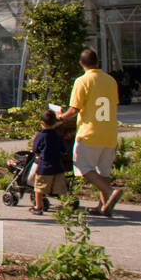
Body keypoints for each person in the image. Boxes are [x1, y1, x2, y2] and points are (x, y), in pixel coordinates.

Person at [57, 48, 124, 217]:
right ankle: (104, 205)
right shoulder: (110, 80)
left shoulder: (82, 81)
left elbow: (74, 109)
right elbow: (113, 103)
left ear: (81, 64)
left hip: (89, 132)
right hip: (109, 132)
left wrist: (61, 117)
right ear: (97, 62)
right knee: (104, 172)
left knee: (82, 166)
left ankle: (110, 192)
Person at [29, 109, 66, 215]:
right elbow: (63, 149)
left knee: (39, 188)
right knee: (61, 189)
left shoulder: (40, 136)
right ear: (55, 123)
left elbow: (35, 149)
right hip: (58, 166)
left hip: (44, 167)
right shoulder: (58, 136)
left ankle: (38, 206)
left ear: (42, 123)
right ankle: (65, 206)